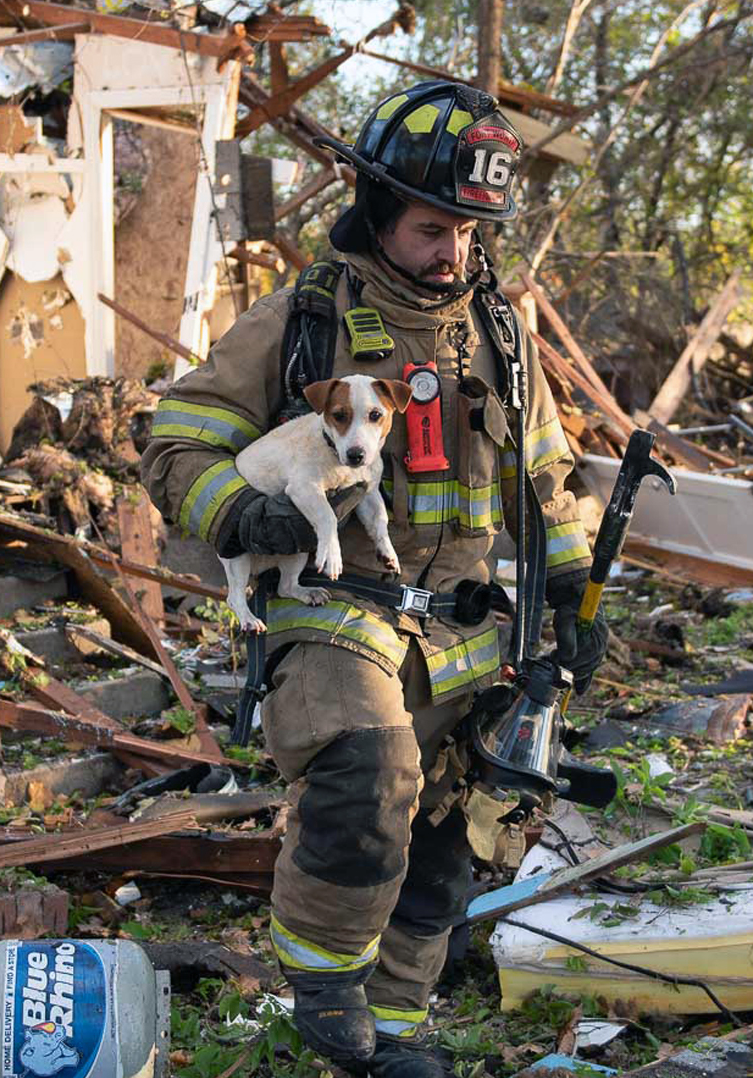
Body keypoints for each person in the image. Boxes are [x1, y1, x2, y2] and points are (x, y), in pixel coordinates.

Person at [141, 82, 603, 1077]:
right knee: (369, 771)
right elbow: (177, 445)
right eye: (433, 229)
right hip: (334, 607)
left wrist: (575, 595)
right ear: (379, 209)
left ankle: (395, 1030)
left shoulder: (500, 335)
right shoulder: (302, 320)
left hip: (462, 632)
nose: (454, 254)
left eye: (469, 233)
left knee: (446, 835)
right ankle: (325, 990)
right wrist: (244, 512)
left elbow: (543, 477)